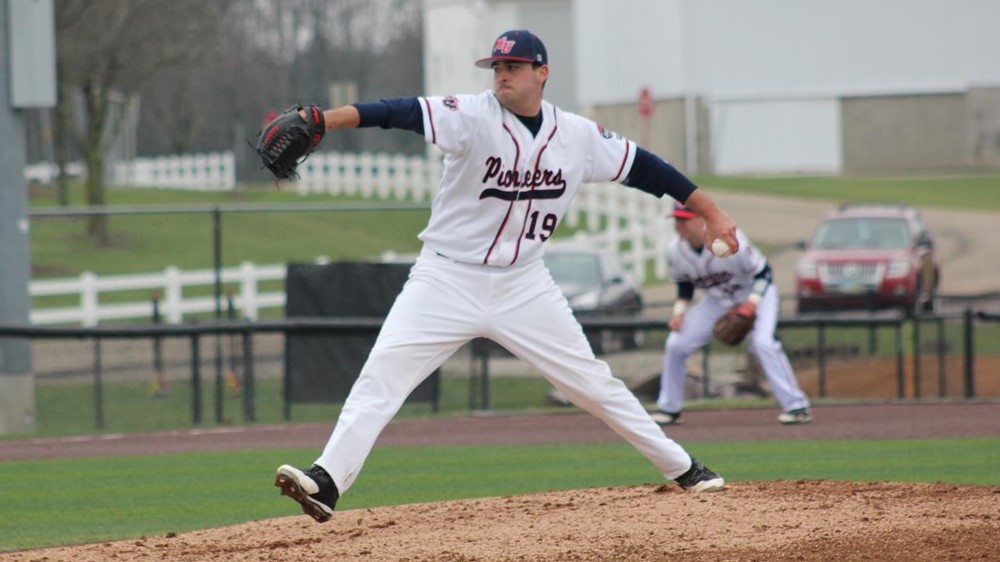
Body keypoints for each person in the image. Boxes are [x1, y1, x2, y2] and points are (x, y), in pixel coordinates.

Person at [273, 29, 740, 523]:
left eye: (513, 67)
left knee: (592, 384)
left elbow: (649, 170)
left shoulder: (577, 136)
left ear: (542, 73)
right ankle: (326, 481)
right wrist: (326, 120)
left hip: (524, 284)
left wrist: (709, 211)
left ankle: (684, 467)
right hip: (446, 278)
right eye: (496, 67)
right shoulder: (471, 115)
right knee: (382, 376)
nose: (502, 75)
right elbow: (397, 112)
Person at [650, 202, 812, 427]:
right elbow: (684, 286)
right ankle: (669, 408)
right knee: (676, 344)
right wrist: (679, 313)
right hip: (716, 301)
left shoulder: (730, 240)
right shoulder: (675, 249)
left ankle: (797, 406)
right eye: (676, 219)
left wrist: (751, 304)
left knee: (762, 343)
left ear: (701, 220)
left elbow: (764, 274)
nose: (679, 225)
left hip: (755, 295)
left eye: (684, 219)